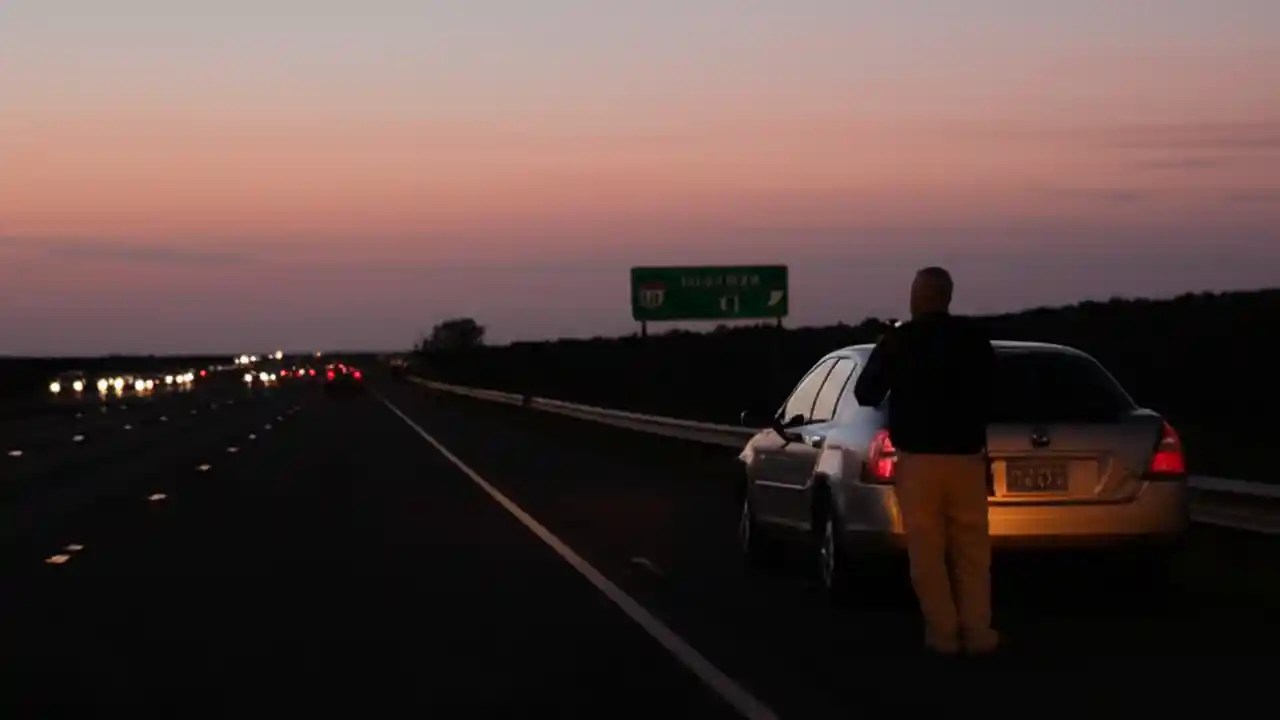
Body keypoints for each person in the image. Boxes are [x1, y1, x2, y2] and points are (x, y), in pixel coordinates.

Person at [853, 267, 998, 656]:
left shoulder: (900, 341)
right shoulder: (973, 340)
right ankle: (978, 630)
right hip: (967, 457)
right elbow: (994, 391)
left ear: (919, 297)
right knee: (972, 551)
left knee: (927, 552)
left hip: (919, 459)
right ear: (947, 297)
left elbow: (866, 393)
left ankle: (943, 632)